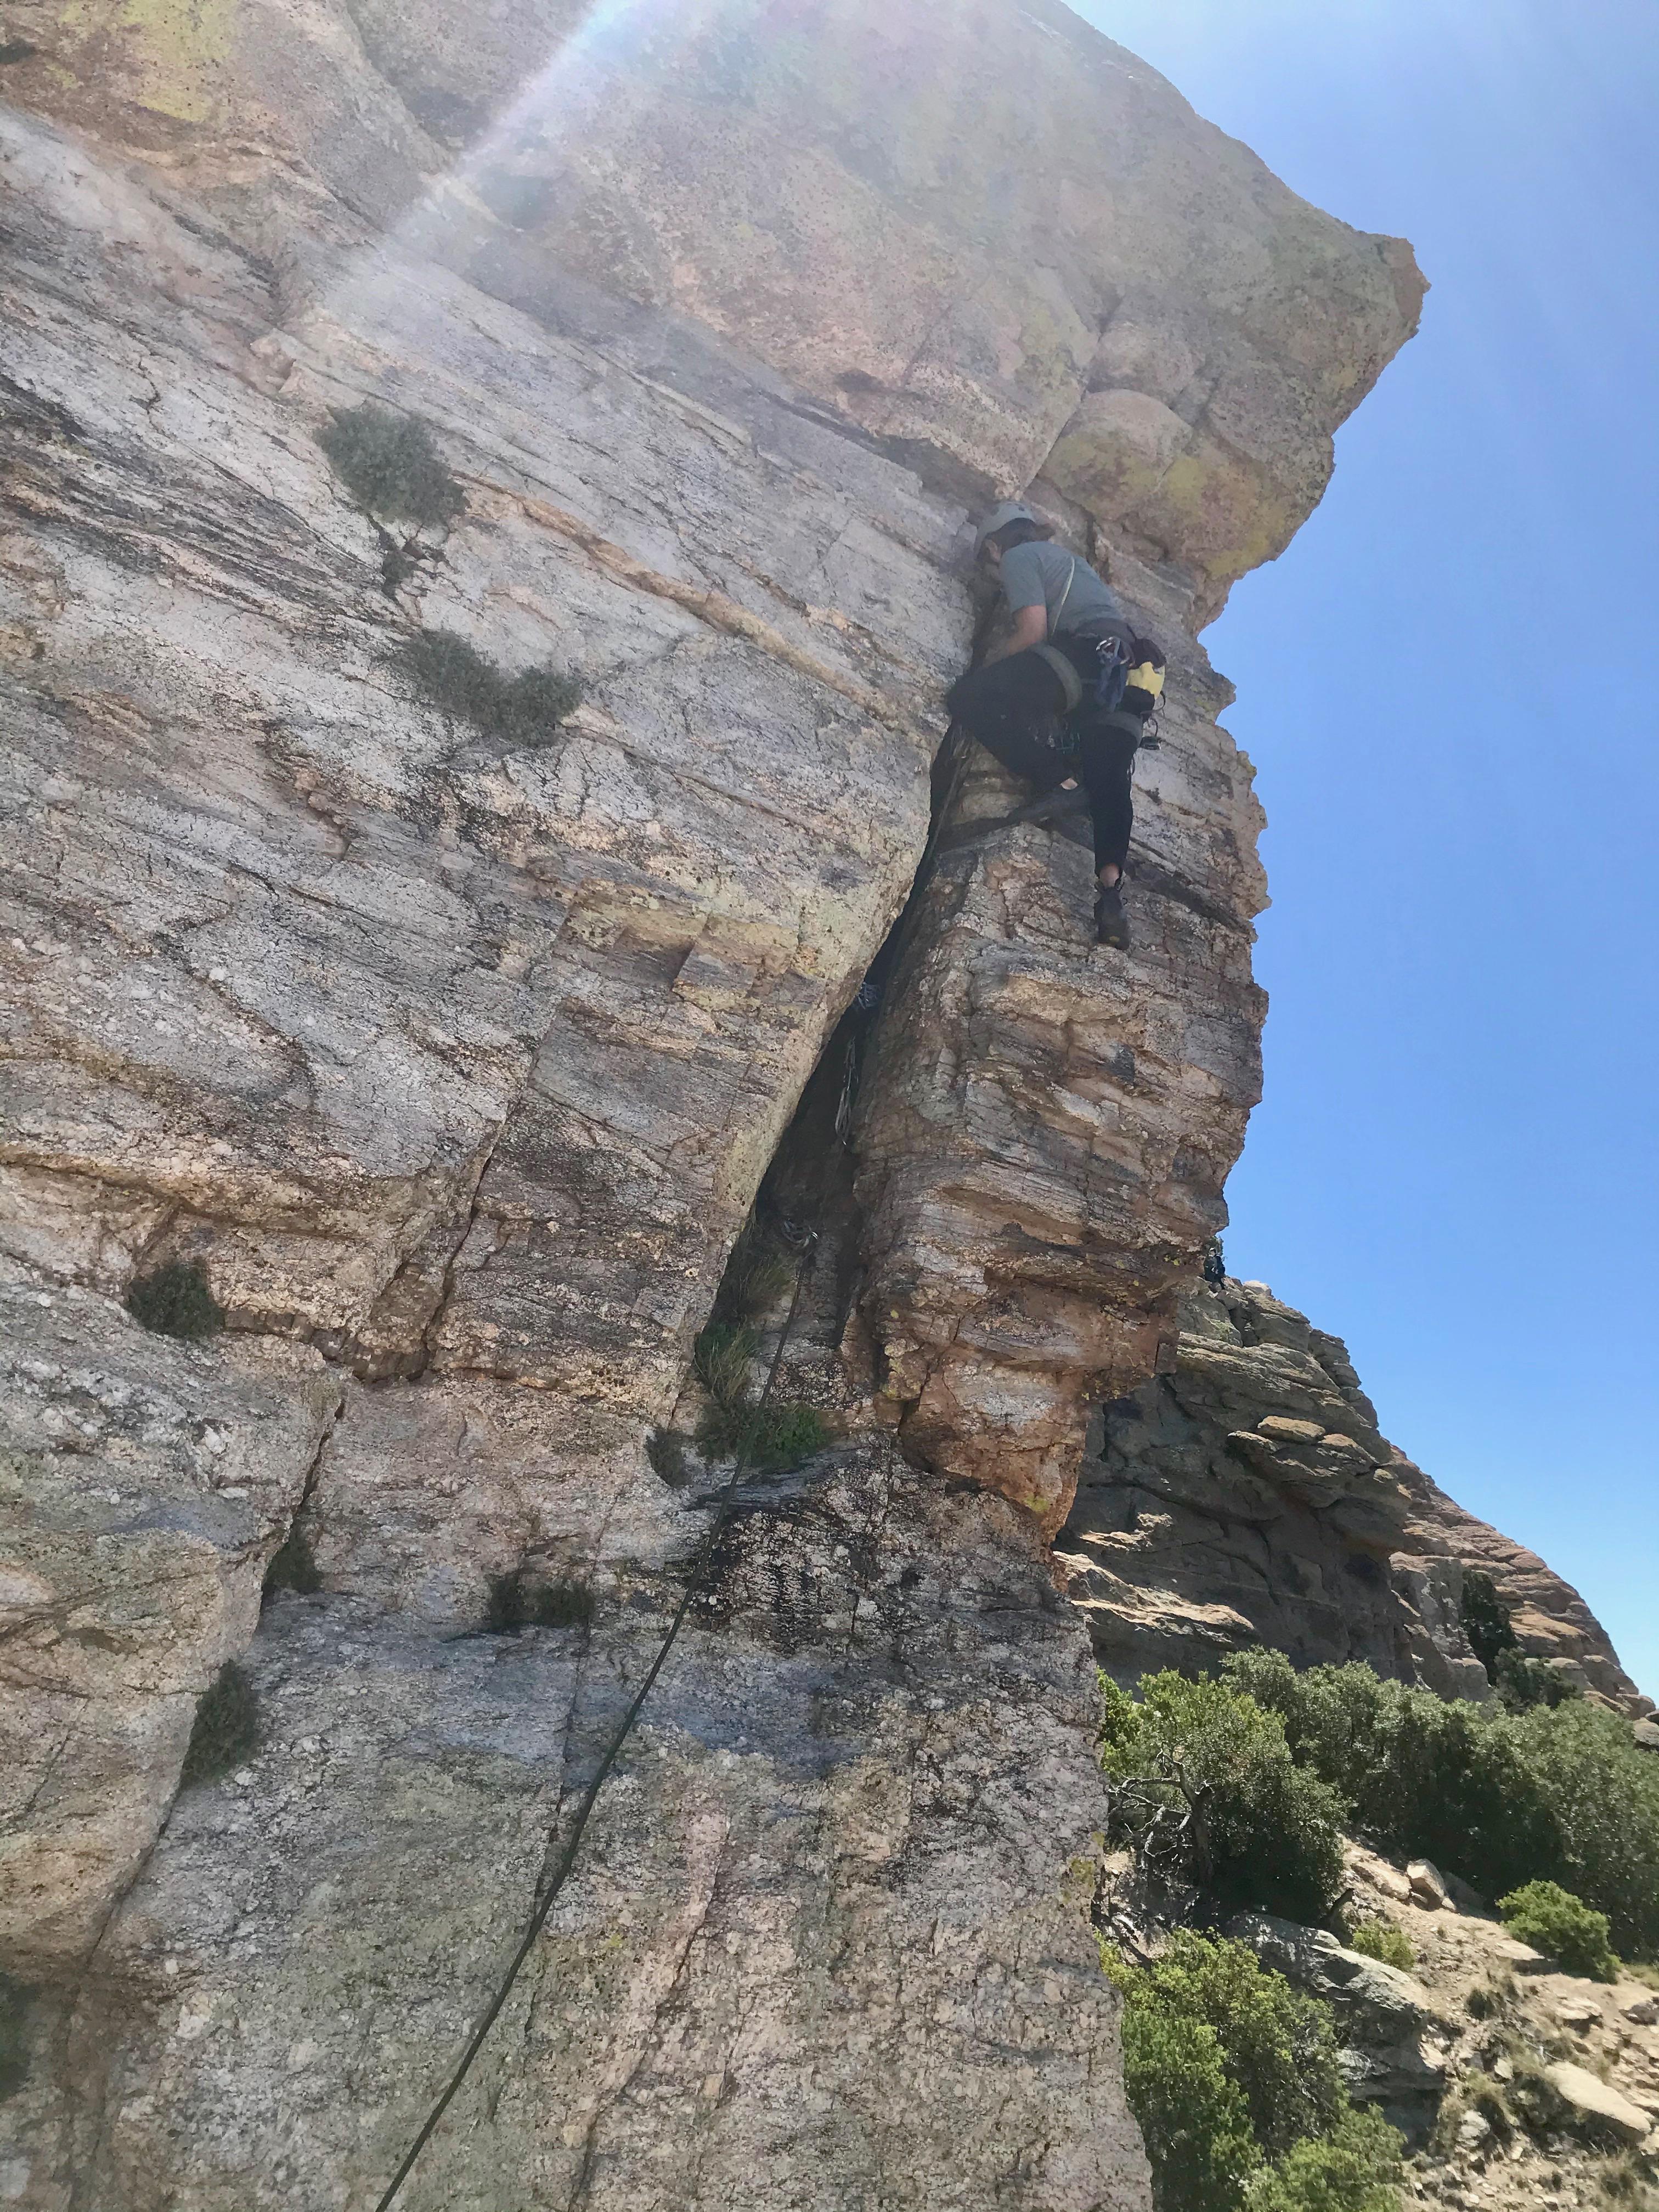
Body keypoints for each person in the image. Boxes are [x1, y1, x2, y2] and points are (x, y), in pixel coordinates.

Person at [944, 501, 1162, 950]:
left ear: (993, 546)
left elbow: (1032, 633)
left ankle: (1057, 781)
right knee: (1109, 782)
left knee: (969, 697)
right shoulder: (1074, 564)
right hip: (1126, 686)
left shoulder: (1021, 558)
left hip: (1081, 665)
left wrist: (987, 665)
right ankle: (1109, 892)